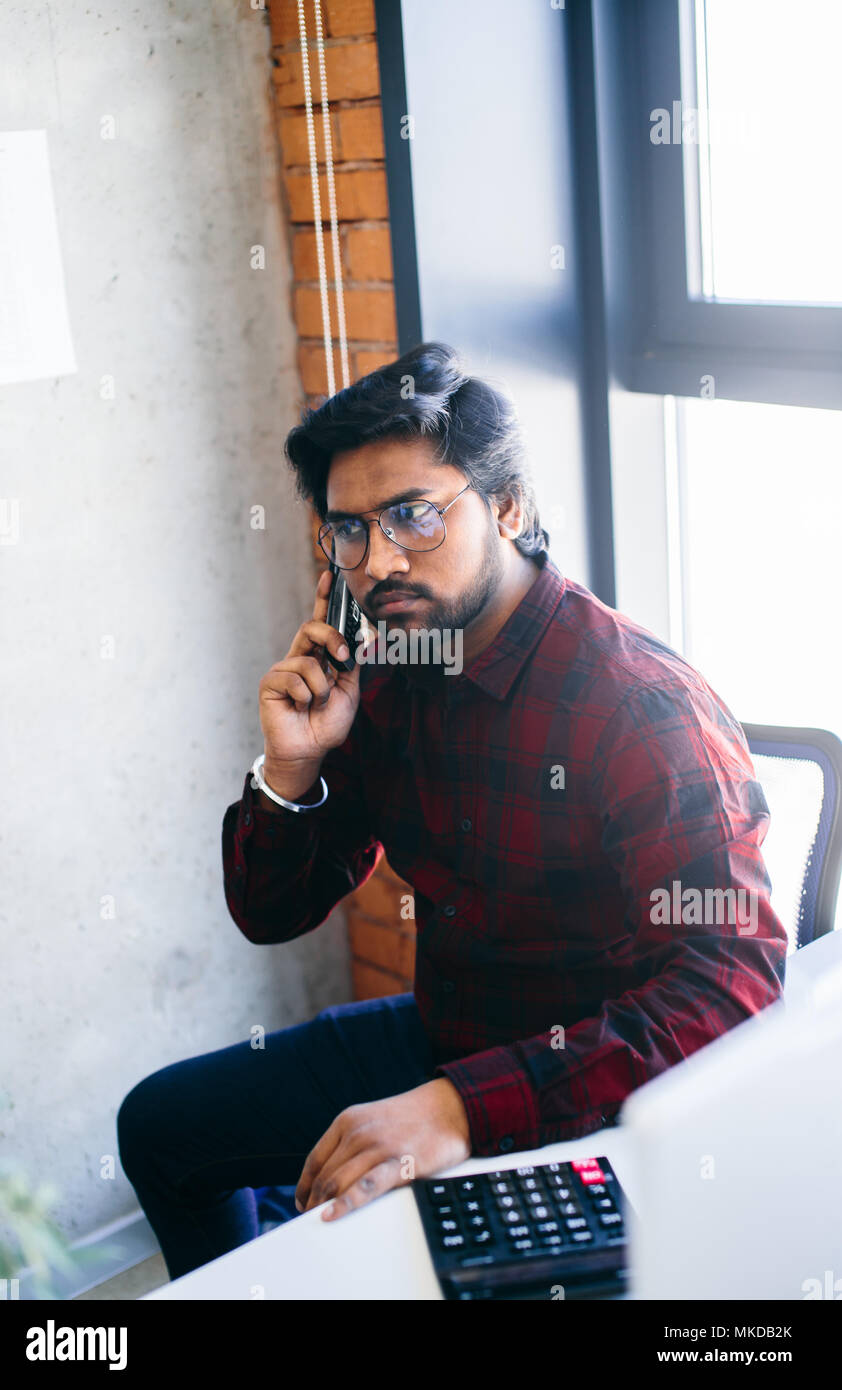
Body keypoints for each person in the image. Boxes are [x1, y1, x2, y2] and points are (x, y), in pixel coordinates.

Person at [117, 341, 786, 1281]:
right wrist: (293, 768)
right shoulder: (388, 669)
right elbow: (271, 914)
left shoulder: (638, 707)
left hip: (595, 1084)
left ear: (508, 506)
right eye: (347, 529)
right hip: (443, 1037)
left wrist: (464, 1108)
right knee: (160, 1127)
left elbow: (733, 982)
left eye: (414, 515)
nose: (378, 558)